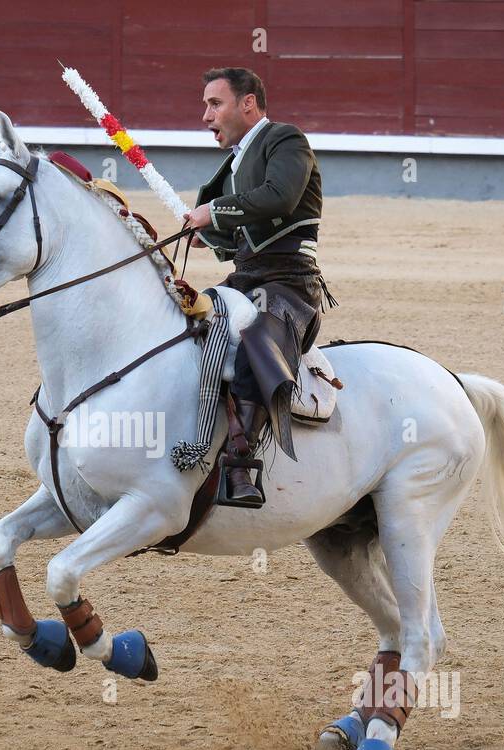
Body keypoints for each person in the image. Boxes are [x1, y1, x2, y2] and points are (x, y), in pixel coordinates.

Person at [182, 67, 334, 505]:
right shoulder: (234, 164)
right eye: (205, 105)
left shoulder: (286, 139)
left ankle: (241, 464)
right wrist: (207, 232)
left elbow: (279, 197)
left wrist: (214, 211)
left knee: (254, 339)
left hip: (290, 283)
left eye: (215, 104)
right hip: (246, 277)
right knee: (187, 324)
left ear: (248, 104)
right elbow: (240, 238)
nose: (206, 115)